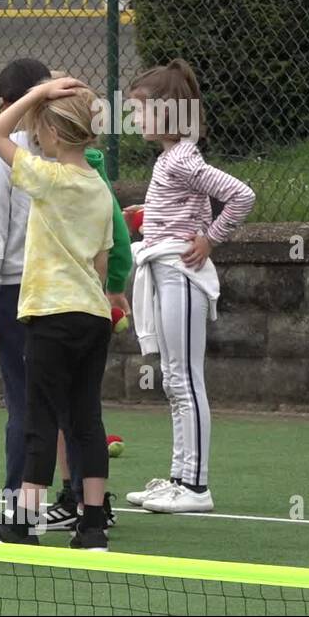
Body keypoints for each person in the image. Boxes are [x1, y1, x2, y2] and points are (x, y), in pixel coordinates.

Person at [0, 59, 130, 539]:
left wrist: (36, 95)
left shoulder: (46, 178)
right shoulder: (99, 188)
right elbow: (102, 261)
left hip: (49, 314)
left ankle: (22, 523)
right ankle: (92, 524)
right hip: (92, 315)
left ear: (52, 134)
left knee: (38, 419)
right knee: (85, 420)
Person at [123, 59, 254, 514]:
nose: (134, 119)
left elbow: (241, 195)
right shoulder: (172, 159)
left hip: (181, 273)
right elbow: (185, 206)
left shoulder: (182, 157)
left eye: (140, 110)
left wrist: (209, 240)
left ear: (166, 112)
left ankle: (196, 486)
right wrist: (146, 215)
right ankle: (181, 477)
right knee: (174, 378)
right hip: (165, 270)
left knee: (184, 377)